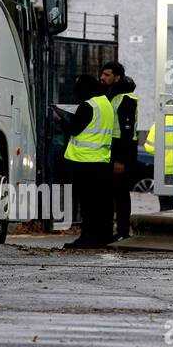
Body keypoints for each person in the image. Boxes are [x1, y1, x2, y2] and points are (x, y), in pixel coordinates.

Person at [56, 74, 118, 248]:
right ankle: (104, 235)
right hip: (102, 161)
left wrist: (62, 121)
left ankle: (87, 237)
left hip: (85, 162)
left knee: (88, 203)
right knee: (102, 203)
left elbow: (75, 129)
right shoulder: (105, 104)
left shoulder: (88, 105)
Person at [100, 61, 138, 240]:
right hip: (112, 148)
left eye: (107, 75)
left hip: (122, 149)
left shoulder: (125, 99)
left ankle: (122, 231)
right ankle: (111, 230)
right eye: (102, 74)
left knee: (121, 193)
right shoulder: (111, 96)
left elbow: (126, 130)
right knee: (111, 192)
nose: (102, 78)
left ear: (117, 77)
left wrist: (120, 159)